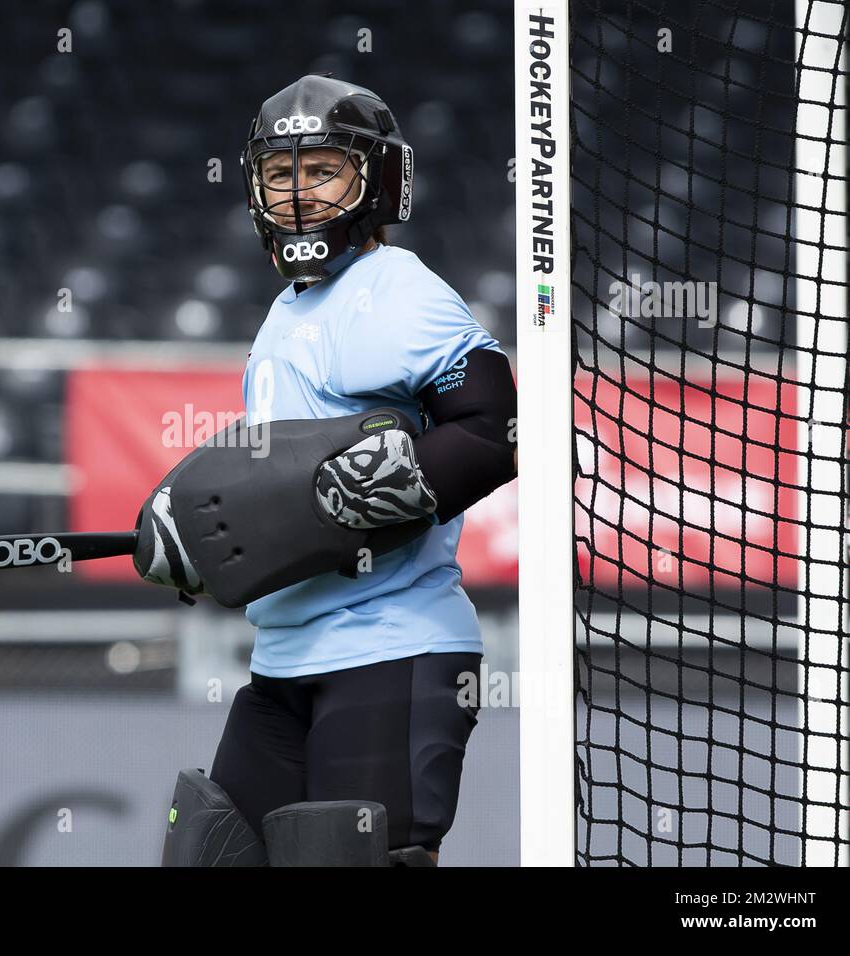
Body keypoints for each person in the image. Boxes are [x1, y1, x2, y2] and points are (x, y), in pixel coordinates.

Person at [208, 73, 518, 864]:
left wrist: (354, 498)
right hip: (284, 661)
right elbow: (279, 484)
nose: (300, 194)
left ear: (375, 179)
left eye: (323, 170)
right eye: (282, 173)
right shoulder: (291, 306)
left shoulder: (395, 290)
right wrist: (197, 532)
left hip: (391, 651)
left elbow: (492, 429)